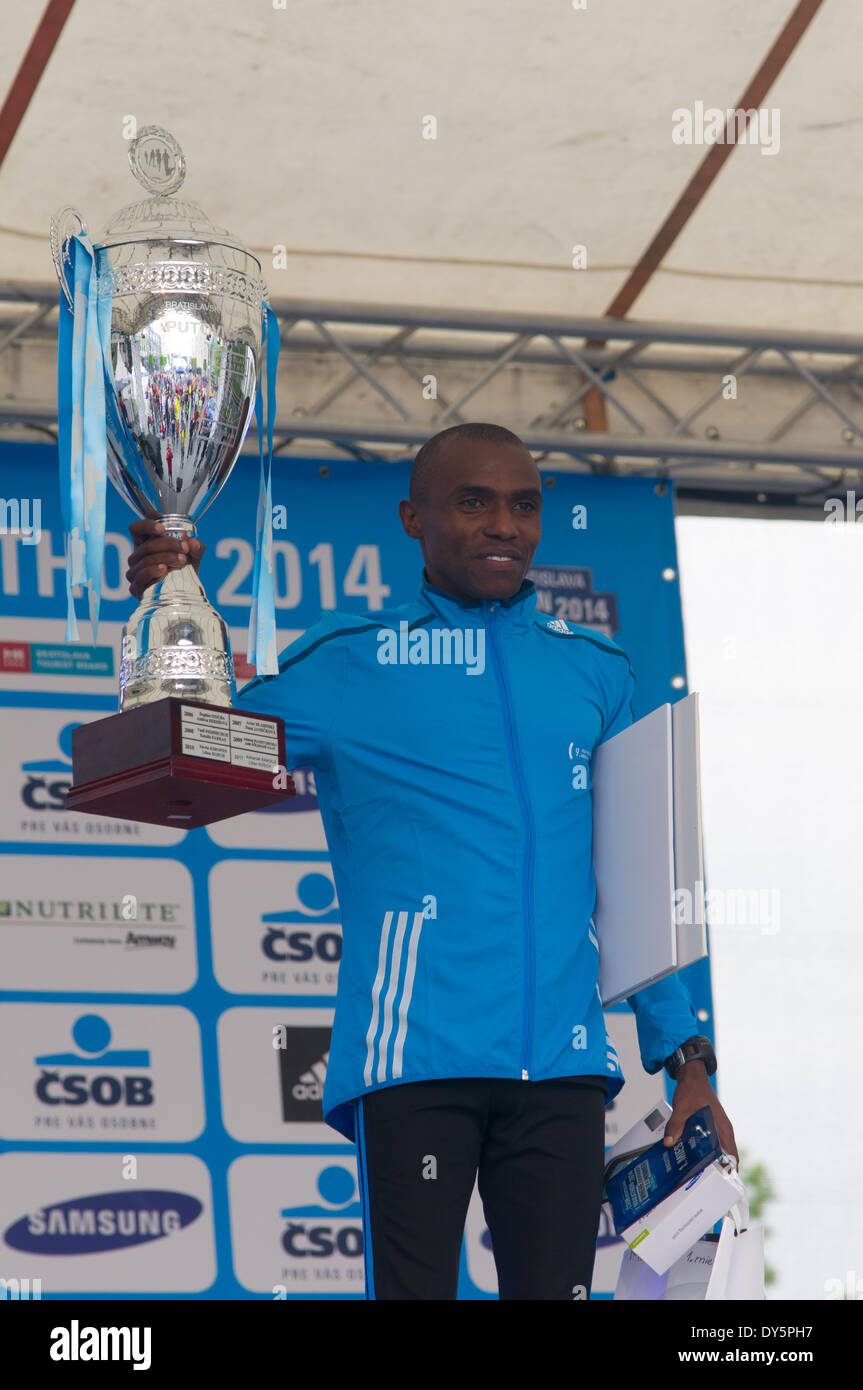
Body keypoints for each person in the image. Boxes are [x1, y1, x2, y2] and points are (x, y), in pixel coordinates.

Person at [126, 422, 737, 1301]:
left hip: (562, 1071)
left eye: (523, 506)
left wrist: (686, 1060)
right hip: (416, 1066)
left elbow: (635, 882)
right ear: (413, 517)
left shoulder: (595, 672)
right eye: (473, 502)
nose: (503, 525)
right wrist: (169, 612)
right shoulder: (350, 666)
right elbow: (195, 735)